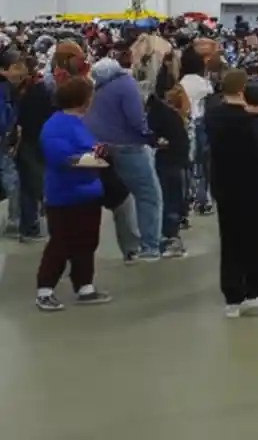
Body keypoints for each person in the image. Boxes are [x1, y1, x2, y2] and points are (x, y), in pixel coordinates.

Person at [206, 69, 258, 318]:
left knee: (230, 239)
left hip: (224, 186)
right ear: (242, 89)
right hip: (253, 186)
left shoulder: (213, 116)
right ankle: (253, 293)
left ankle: (232, 297)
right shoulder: (253, 122)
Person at [36, 76, 111, 310]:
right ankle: (45, 289)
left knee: (87, 241)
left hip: (88, 192)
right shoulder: (55, 126)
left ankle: (84, 284)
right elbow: (58, 157)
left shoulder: (79, 123)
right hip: (65, 194)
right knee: (61, 242)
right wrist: (85, 159)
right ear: (82, 101)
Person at [83, 58, 157, 262]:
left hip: (100, 147)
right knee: (148, 195)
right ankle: (150, 247)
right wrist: (149, 136)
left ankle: (130, 248)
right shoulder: (126, 84)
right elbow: (136, 118)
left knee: (120, 199)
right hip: (128, 146)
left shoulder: (96, 89)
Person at [148, 77, 191, 258]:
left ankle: (162, 237)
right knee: (172, 198)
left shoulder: (157, 114)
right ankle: (170, 238)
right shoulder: (173, 118)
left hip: (165, 160)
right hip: (173, 162)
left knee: (165, 199)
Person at [14, 55, 53, 241]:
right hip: (36, 142)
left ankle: (28, 225)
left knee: (27, 187)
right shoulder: (41, 92)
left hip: (26, 141)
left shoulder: (18, 92)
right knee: (34, 186)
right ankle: (29, 227)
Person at [179, 45, 214, 216]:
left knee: (187, 163)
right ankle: (204, 200)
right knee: (202, 163)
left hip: (185, 123)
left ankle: (188, 198)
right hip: (202, 123)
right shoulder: (205, 84)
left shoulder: (180, 83)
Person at [1, 50, 31, 239]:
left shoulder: (12, 89)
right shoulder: (5, 90)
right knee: (12, 181)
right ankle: (14, 220)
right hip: (3, 141)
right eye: (15, 67)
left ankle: (14, 219)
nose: (20, 71)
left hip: (6, 140)